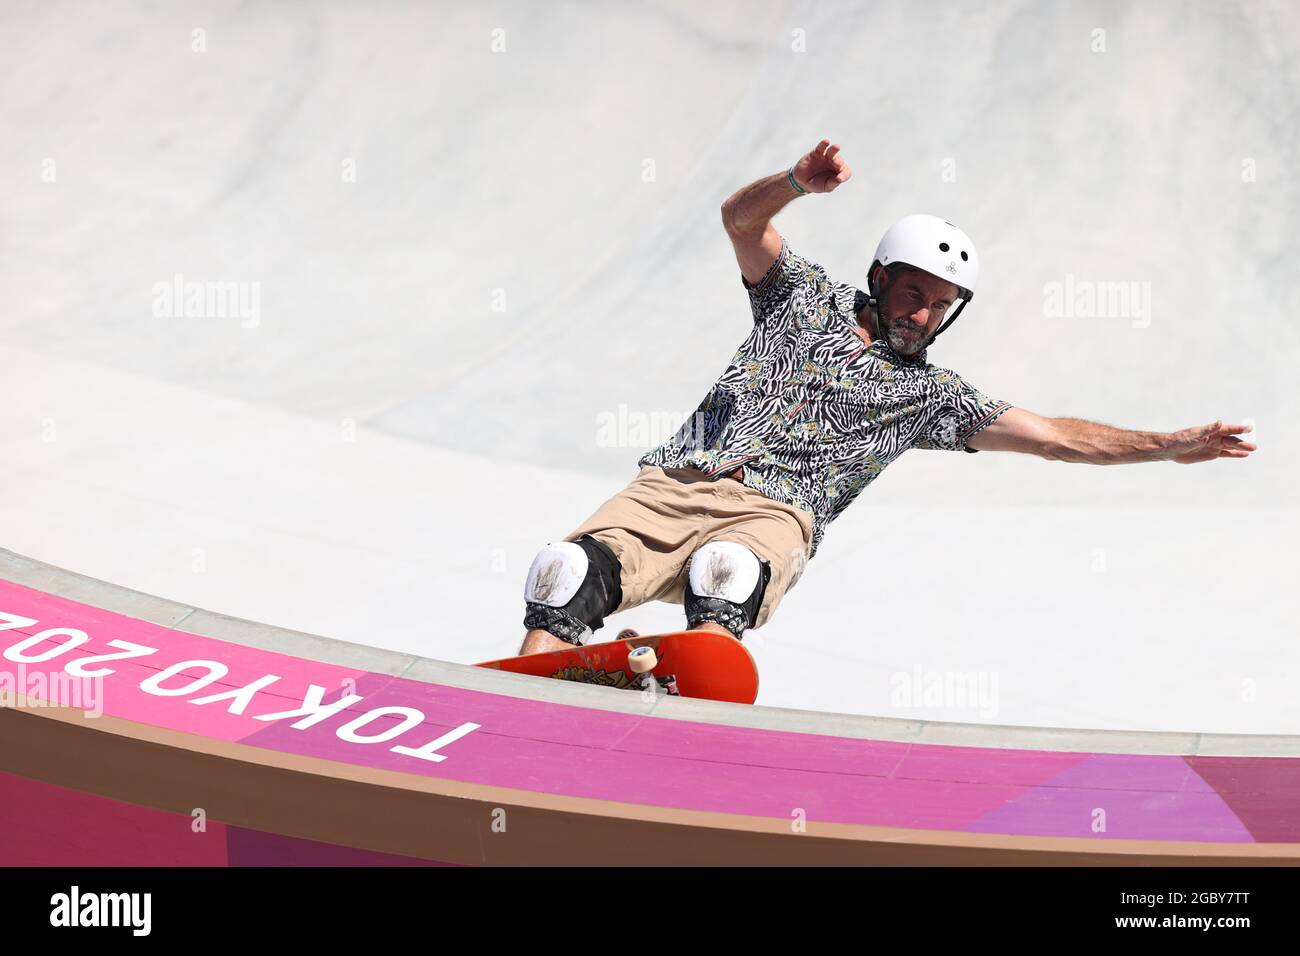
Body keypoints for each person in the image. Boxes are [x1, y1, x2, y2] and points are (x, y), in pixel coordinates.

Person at [516, 139, 1256, 656]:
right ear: (879, 279)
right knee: (563, 574)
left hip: (776, 514)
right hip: (674, 483)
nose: (921, 314)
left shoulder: (932, 397)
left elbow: (1056, 436)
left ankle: (688, 704)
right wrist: (795, 183)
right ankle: (517, 707)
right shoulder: (797, 297)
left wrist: (1166, 444)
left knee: (726, 577)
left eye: (939, 305)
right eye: (911, 292)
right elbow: (741, 221)